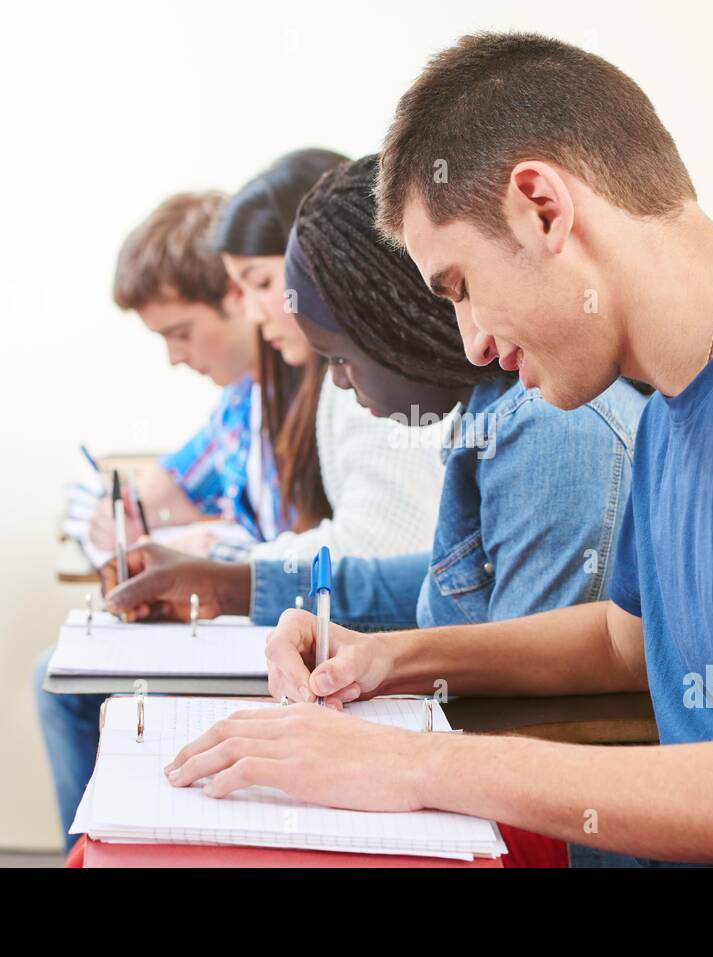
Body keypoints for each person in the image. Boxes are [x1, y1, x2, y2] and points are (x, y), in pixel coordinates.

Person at [162, 33, 713, 867]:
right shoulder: (682, 396)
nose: (472, 341)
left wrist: (411, 764)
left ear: (543, 208)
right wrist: (386, 656)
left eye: (461, 287)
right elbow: (623, 640)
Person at [34, 150, 446, 849]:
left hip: (345, 646)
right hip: (320, 633)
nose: (264, 310)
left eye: (263, 284)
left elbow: (382, 556)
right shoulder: (275, 396)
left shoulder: (352, 389)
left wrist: (226, 566)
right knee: (72, 685)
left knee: (73, 690)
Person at [104, 154, 646, 650]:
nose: (338, 385)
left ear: (395, 324)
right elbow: (440, 582)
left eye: (339, 359)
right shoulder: (489, 414)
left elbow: (529, 674)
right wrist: (229, 586)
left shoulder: (545, 425)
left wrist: (380, 667)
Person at [88, 191, 302, 558]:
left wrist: (214, 553)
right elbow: (175, 485)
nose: (174, 357)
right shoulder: (241, 400)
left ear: (236, 293)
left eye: (181, 334)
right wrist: (124, 511)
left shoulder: (317, 390)